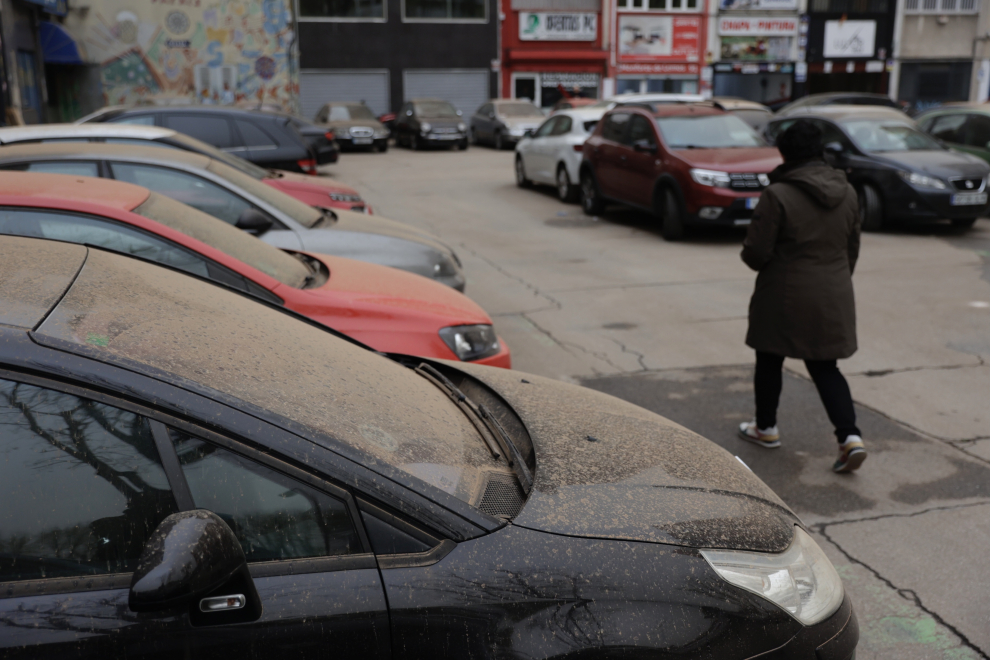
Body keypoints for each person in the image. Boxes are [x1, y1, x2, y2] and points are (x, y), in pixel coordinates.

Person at [738, 120, 866, 474]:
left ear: (785, 155)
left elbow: (756, 254)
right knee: (825, 366)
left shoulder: (778, 194)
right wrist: (834, 278)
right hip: (833, 291)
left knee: (769, 358)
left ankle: (766, 428)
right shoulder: (848, 192)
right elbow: (852, 248)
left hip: (784, 291)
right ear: (820, 152)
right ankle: (850, 437)